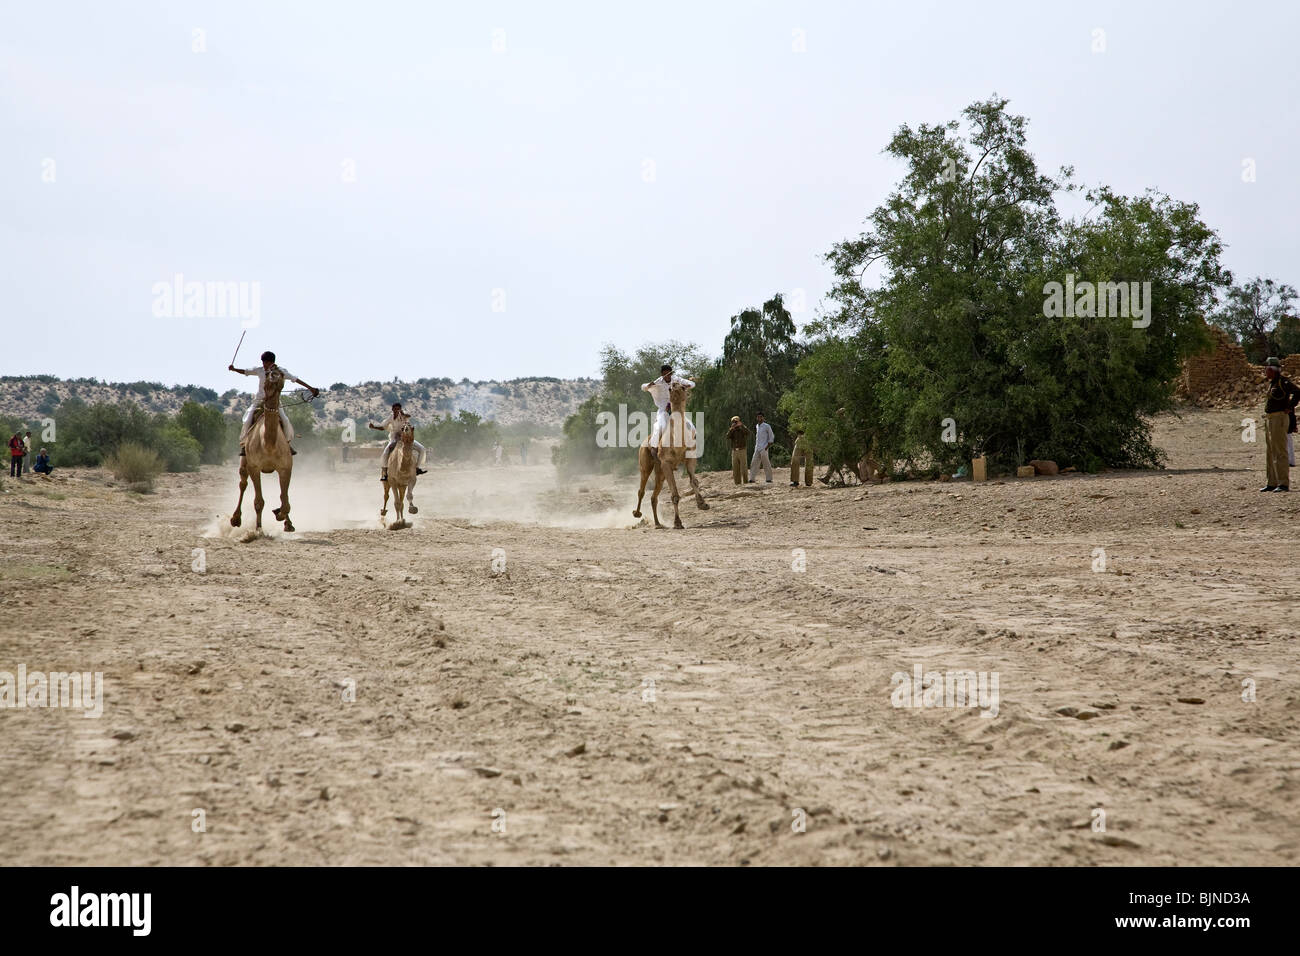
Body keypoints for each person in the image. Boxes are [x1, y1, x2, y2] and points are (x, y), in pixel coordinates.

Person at [229, 351, 319, 456]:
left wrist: (310, 388)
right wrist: (234, 369)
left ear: (271, 362)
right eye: (263, 362)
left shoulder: (281, 372)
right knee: (247, 420)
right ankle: (244, 444)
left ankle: (287, 444)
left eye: (266, 362)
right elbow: (245, 371)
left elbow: (295, 379)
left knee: (285, 420)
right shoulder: (260, 370)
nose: (264, 365)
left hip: (274, 402)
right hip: (259, 401)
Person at [1260, 357, 1300, 492]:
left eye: (1267, 369)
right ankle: (1272, 482)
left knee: (1280, 451)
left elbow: (1298, 392)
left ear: (1272, 369)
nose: (1265, 371)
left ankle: (1283, 483)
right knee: (1270, 451)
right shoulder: (1273, 383)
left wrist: (1290, 406)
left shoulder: (1284, 382)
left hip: (1279, 418)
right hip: (1270, 419)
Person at [641, 364, 695, 461]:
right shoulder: (658, 382)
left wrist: (687, 385)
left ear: (671, 373)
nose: (667, 376)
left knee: (691, 426)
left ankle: (690, 448)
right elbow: (643, 387)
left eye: (669, 374)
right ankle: (654, 448)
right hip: (663, 410)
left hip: (677, 410)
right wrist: (649, 385)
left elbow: (692, 384)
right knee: (659, 426)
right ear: (662, 374)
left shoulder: (676, 379)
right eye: (665, 374)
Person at [367, 403, 428, 483]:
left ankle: (417, 468)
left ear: (400, 409)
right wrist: (374, 427)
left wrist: (403, 414)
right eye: (395, 409)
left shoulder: (403, 415)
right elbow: (383, 427)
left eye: (398, 409)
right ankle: (385, 472)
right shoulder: (390, 417)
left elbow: (409, 416)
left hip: (405, 437)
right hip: (395, 437)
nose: (397, 410)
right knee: (385, 453)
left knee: (422, 449)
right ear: (392, 409)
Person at [749, 412, 774, 483]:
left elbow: (771, 437)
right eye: (758, 417)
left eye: (761, 417)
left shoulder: (767, 426)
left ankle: (769, 479)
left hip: (764, 447)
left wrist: (766, 447)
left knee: (766, 463)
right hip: (757, 447)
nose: (759, 418)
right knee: (754, 463)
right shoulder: (757, 426)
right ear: (757, 418)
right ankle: (752, 478)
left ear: (763, 418)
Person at [726, 416, 749, 485]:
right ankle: (737, 483)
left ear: (739, 421)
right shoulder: (732, 430)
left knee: (743, 468)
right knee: (735, 468)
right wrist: (731, 429)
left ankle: (745, 482)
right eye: (733, 422)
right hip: (734, 451)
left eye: (736, 421)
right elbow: (727, 436)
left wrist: (741, 426)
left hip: (742, 450)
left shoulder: (742, 428)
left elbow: (748, 433)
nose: (734, 423)